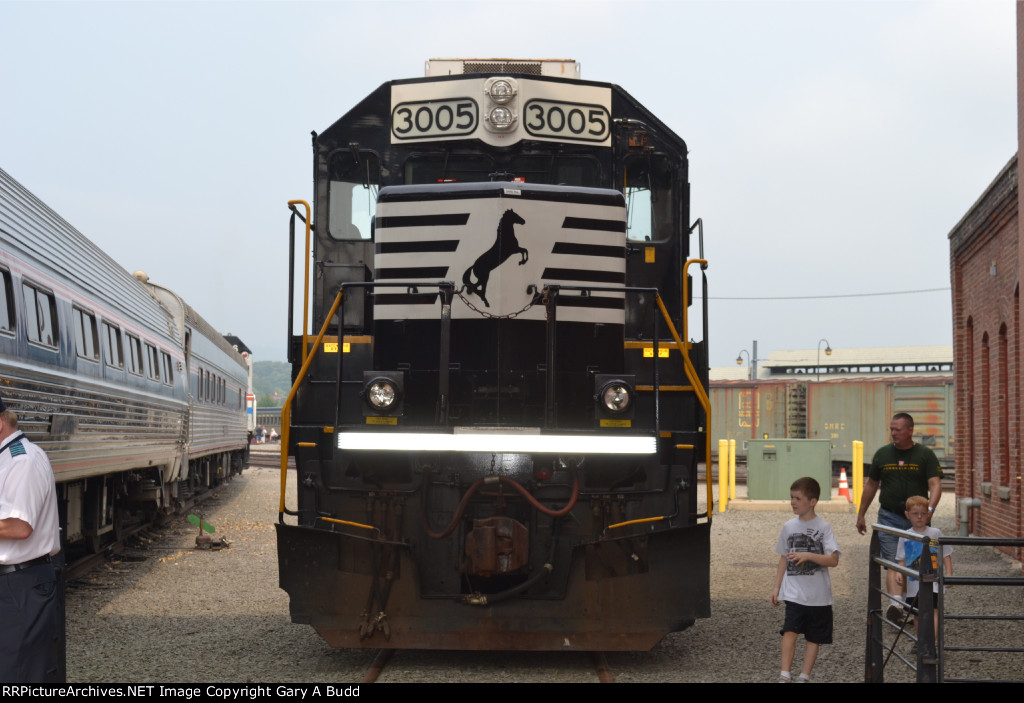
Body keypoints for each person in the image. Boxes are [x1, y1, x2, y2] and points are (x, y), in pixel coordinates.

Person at [856, 412, 942, 622]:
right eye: (891, 429)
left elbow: (935, 484)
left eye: (898, 430)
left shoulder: (925, 455)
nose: (893, 433)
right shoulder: (882, 455)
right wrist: (861, 514)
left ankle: (911, 607)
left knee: (913, 563)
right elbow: (871, 485)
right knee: (893, 561)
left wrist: (929, 512)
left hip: (918, 520)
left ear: (910, 430)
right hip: (889, 517)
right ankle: (896, 603)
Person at [0, 399, 61, 682]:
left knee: (17, 672)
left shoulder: (21, 460)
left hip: (19, 584)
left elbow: (20, 526)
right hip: (13, 583)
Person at [771, 477, 841, 683]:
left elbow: (834, 560)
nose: (793, 502)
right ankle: (784, 674)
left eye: (798, 498)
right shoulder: (788, 527)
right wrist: (776, 587)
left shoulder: (824, 528)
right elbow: (783, 557)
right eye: (791, 498)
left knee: (813, 638)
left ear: (812, 501)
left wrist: (808, 556)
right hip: (794, 593)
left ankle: (804, 676)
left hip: (819, 596)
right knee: (789, 631)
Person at [895, 495, 952, 654]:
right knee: (918, 614)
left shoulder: (935, 532)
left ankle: (930, 645)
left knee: (934, 611)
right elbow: (901, 559)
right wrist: (900, 573)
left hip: (933, 580)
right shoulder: (904, 535)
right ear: (907, 515)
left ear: (928, 514)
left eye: (922, 513)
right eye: (915, 513)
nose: (919, 517)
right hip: (914, 583)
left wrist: (949, 574)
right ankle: (921, 642)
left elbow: (946, 554)